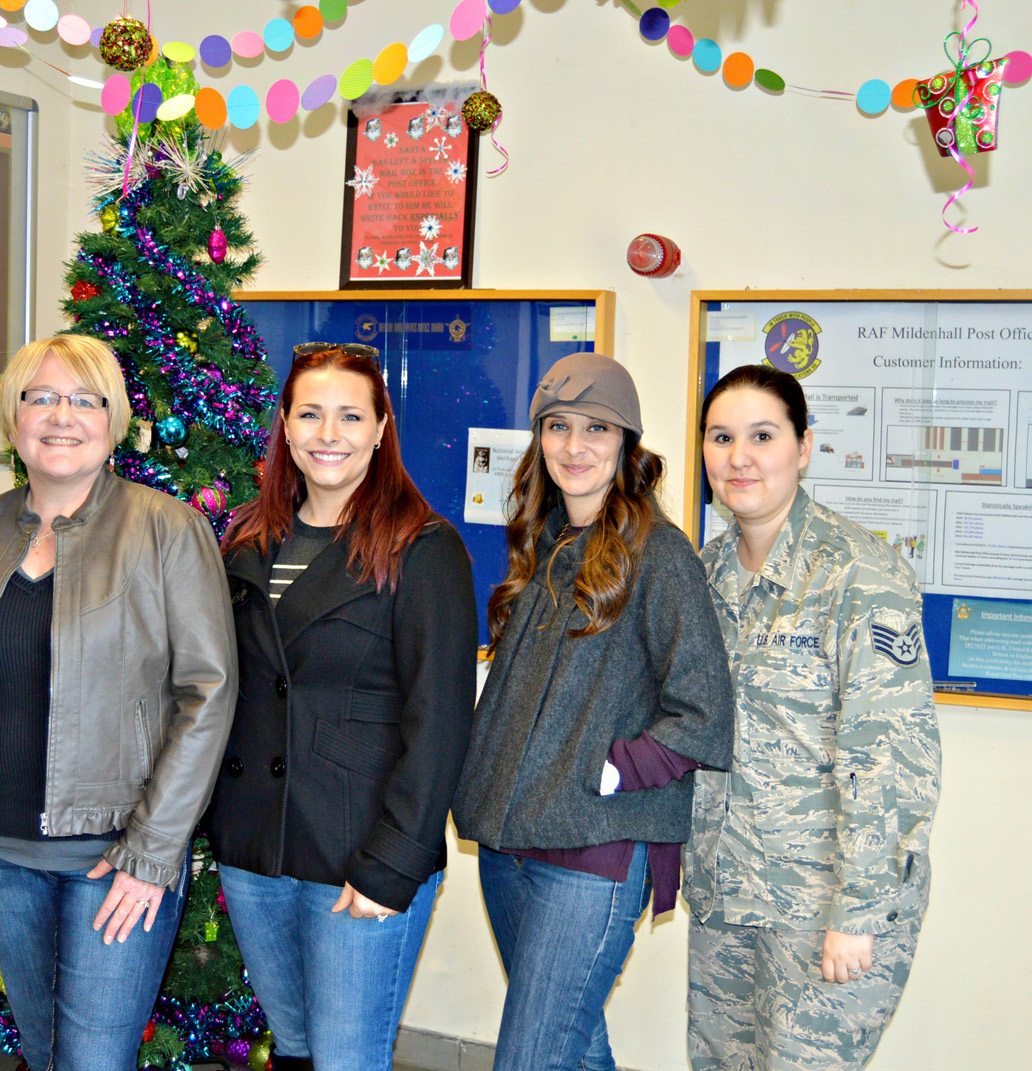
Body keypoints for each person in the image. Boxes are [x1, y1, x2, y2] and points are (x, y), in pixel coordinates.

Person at [0, 334, 237, 1071]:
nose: (61, 415)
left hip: (115, 857)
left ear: (116, 421)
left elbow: (208, 692)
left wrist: (151, 850)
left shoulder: (167, 529)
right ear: (13, 418)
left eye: (84, 398)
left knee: (93, 1060)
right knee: (44, 1055)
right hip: (1, 852)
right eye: (40, 397)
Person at [454, 352, 735, 1071]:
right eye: (555, 426)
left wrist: (608, 772)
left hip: (597, 853)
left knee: (528, 1058)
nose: (573, 447)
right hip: (510, 848)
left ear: (626, 444)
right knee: (572, 1050)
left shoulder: (662, 555)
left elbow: (702, 709)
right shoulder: (541, 544)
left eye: (596, 428)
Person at [205, 343, 478, 1071]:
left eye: (351, 415)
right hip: (255, 849)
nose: (330, 433)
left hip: (361, 856)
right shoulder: (244, 540)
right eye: (312, 413)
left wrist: (393, 864)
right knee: (294, 1051)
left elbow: (441, 723)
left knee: (346, 1058)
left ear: (382, 428)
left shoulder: (423, 548)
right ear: (286, 427)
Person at [687, 364, 941, 1071]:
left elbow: (891, 756)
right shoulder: (704, 573)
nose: (739, 457)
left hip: (823, 903)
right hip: (725, 893)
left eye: (762, 435)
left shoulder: (860, 573)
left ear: (802, 446)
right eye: (721, 436)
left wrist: (857, 914)